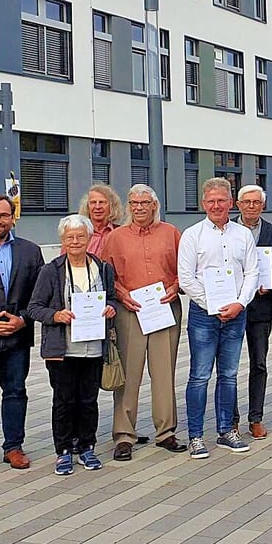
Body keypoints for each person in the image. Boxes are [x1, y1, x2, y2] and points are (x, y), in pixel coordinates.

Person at [101, 184, 187, 461]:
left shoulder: (171, 233)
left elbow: (184, 269)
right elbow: (106, 275)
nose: (138, 207)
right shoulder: (116, 237)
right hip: (131, 311)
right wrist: (122, 294)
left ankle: (166, 432)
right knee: (129, 375)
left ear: (154, 205)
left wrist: (176, 287)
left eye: (144, 203)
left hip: (164, 308)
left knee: (164, 373)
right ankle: (125, 435)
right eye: (133, 203)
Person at [27, 215, 117, 475]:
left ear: (89, 239)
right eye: (70, 237)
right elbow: (34, 307)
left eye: (80, 236)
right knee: (64, 400)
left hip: (93, 346)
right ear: (62, 241)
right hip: (63, 348)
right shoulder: (51, 270)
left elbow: (111, 298)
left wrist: (111, 307)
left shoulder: (102, 267)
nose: (75, 241)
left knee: (89, 400)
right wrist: (55, 315)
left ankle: (87, 447)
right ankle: (64, 450)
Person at [179, 178, 259, 459]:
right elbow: (186, 278)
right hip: (204, 315)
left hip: (236, 314)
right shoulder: (192, 235)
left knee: (229, 375)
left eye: (221, 200)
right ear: (204, 204)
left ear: (230, 203)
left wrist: (239, 303)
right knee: (199, 376)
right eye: (211, 201)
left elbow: (252, 273)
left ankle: (226, 431)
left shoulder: (243, 235)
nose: (216, 205)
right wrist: (211, 304)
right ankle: (196, 436)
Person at [0, 195, 44, 478]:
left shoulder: (30, 251)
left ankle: (13, 447)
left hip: (16, 337)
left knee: (15, 392)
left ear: (13, 217)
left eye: (3, 215)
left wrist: (23, 319)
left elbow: (40, 294)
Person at [231, 184, 272, 440]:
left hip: (261, 307)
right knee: (231, 366)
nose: (251, 206)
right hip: (234, 306)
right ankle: (233, 418)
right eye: (246, 202)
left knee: (259, 363)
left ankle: (255, 417)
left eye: (256, 202)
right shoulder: (229, 231)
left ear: (262, 205)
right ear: (238, 204)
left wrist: (270, 285)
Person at [77, 184, 124, 255]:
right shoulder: (76, 233)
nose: (97, 207)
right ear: (87, 206)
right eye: (93, 202)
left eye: (102, 202)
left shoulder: (120, 234)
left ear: (112, 206)